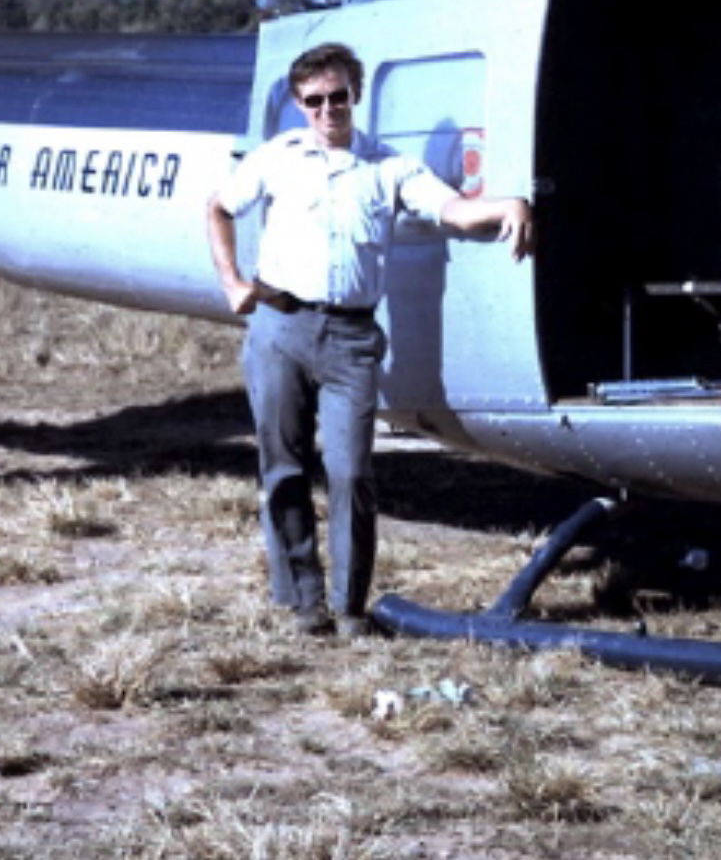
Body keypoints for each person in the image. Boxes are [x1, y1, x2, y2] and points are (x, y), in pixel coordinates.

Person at [203, 42, 534, 638]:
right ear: (300, 105)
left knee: (352, 470)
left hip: (352, 340)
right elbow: (219, 208)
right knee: (283, 467)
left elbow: (453, 211)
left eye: (337, 97)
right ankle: (303, 602)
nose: (328, 109)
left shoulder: (389, 168)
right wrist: (232, 281)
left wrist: (508, 205)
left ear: (355, 96)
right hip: (278, 328)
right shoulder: (277, 157)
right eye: (314, 101)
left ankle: (350, 606)